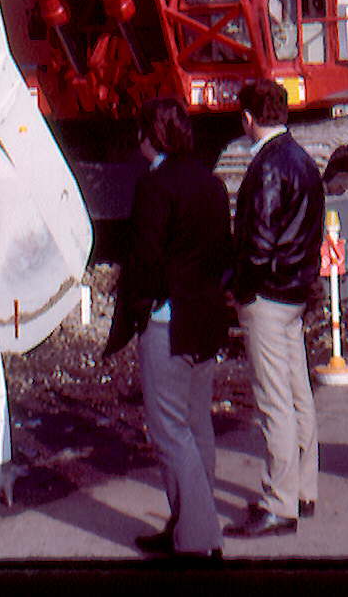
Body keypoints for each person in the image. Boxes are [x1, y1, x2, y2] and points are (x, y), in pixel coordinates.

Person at [103, 98, 233, 560]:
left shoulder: (154, 188)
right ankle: (187, 524)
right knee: (198, 427)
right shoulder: (212, 185)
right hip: (205, 320)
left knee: (168, 431)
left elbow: (146, 261)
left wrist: (137, 306)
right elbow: (223, 256)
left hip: (167, 323)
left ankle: (198, 539)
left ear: (151, 136)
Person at [224, 78, 324, 538]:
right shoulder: (303, 160)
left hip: (266, 295)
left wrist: (238, 288)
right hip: (295, 292)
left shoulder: (266, 167)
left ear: (248, 118)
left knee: (274, 402)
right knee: (298, 393)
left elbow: (259, 241)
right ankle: (303, 489)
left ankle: (278, 503)